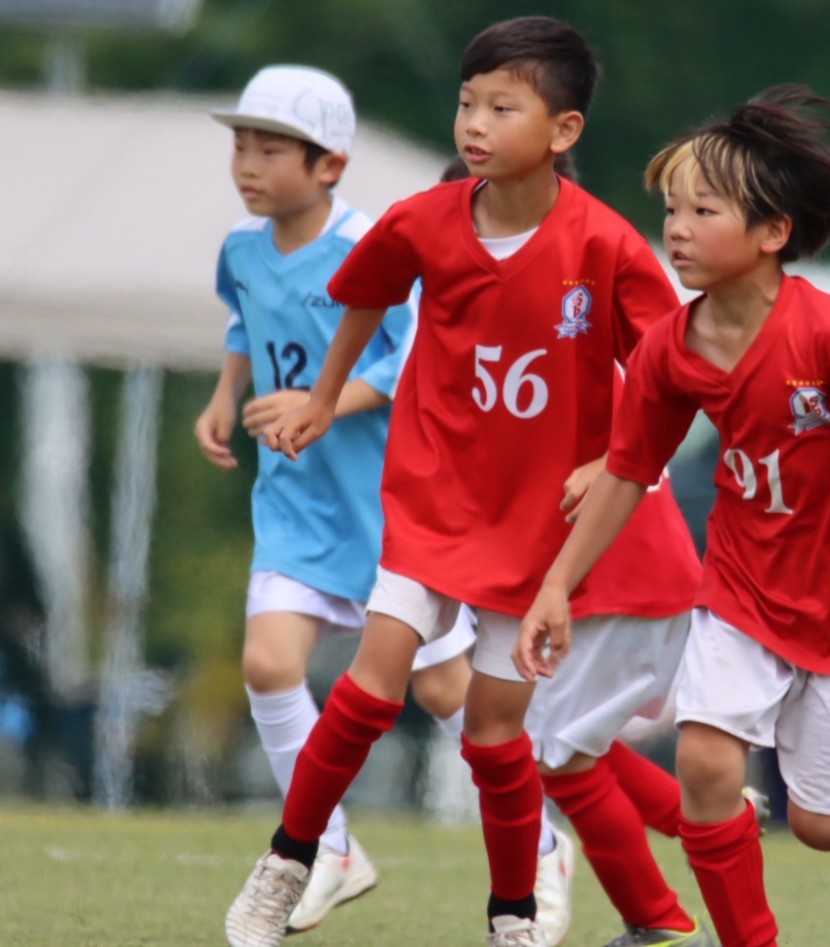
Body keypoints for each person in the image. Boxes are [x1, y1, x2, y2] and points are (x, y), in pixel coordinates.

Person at [224, 18, 713, 947]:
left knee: (496, 735)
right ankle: (287, 862)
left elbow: (668, 376)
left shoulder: (604, 246)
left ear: (563, 130)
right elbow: (365, 292)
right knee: (372, 685)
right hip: (435, 497)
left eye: (501, 107)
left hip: (536, 534)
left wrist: (615, 456)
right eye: (466, 104)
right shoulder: (424, 218)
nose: (475, 124)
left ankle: (512, 914)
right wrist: (323, 399)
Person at [516, 85, 830, 947]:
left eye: (703, 211)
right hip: (742, 586)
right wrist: (557, 585)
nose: (677, 229)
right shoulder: (669, 348)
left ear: (773, 232)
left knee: (820, 826)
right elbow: (628, 470)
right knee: (704, 762)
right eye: (671, 209)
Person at [197, 64, 571, 940]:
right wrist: (225, 394)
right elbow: (244, 322)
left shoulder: (378, 241)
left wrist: (323, 403)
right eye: (240, 146)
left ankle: (542, 846)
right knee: (268, 664)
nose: (247, 165)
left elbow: (416, 355)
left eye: (270, 149)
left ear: (329, 165)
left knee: (449, 697)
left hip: (390, 505)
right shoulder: (240, 248)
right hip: (295, 503)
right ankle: (327, 847)